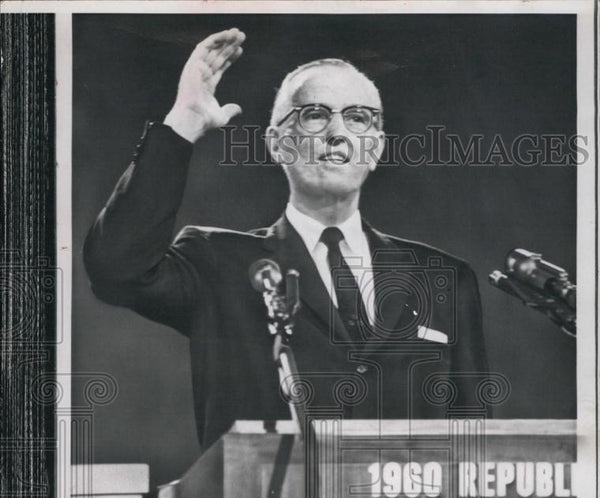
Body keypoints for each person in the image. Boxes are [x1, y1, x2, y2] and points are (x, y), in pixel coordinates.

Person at [84, 28, 489, 452]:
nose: (337, 133)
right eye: (315, 114)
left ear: (376, 147)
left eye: (357, 117)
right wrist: (183, 122)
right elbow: (116, 269)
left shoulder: (444, 278)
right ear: (277, 143)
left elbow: (477, 447)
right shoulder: (216, 263)